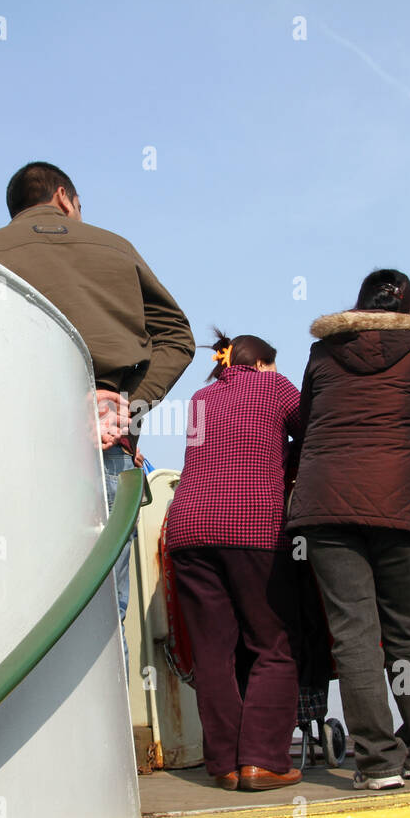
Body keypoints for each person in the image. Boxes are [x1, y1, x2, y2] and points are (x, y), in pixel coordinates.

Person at [0, 162, 194, 631]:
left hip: (10, 452)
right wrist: (127, 405)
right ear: (63, 197)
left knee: (16, 616)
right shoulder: (116, 247)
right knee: (101, 622)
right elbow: (177, 337)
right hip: (106, 446)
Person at [287, 269, 410, 790]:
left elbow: (306, 419)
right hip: (401, 506)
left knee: (353, 634)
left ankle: (378, 764)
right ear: (409, 306)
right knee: (408, 632)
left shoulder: (324, 352)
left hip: (325, 505)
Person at [164, 331, 303, 790]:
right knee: (272, 645)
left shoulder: (202, 398)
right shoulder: (276, 387)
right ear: (263, 363)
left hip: (187, 527)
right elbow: (312, 433)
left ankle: (224, 764)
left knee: (212, 652)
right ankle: (263, 762)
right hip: (252, 525)